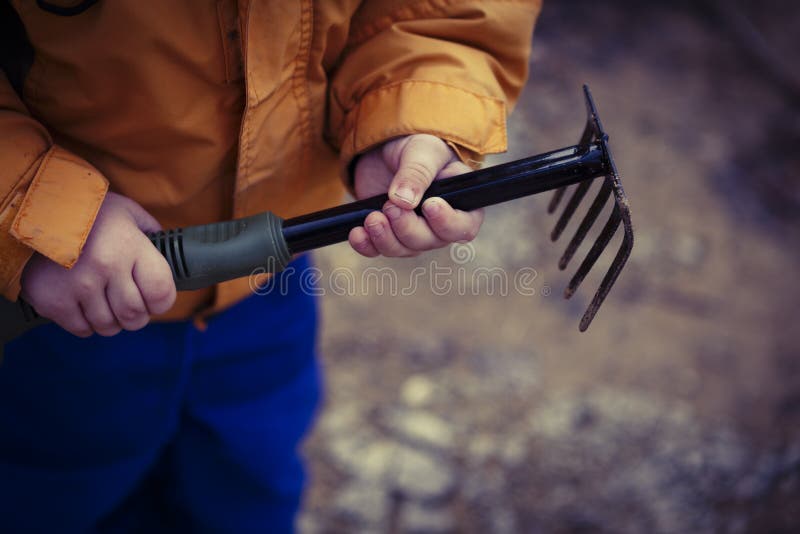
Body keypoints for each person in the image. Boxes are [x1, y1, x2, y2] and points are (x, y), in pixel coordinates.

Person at [0, 1, 541, 531]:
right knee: (50, 492)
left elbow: (443, 13)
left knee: (250, 480)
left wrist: (408, 111)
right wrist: (34, 206)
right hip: (60, 308)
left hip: (266, 290)